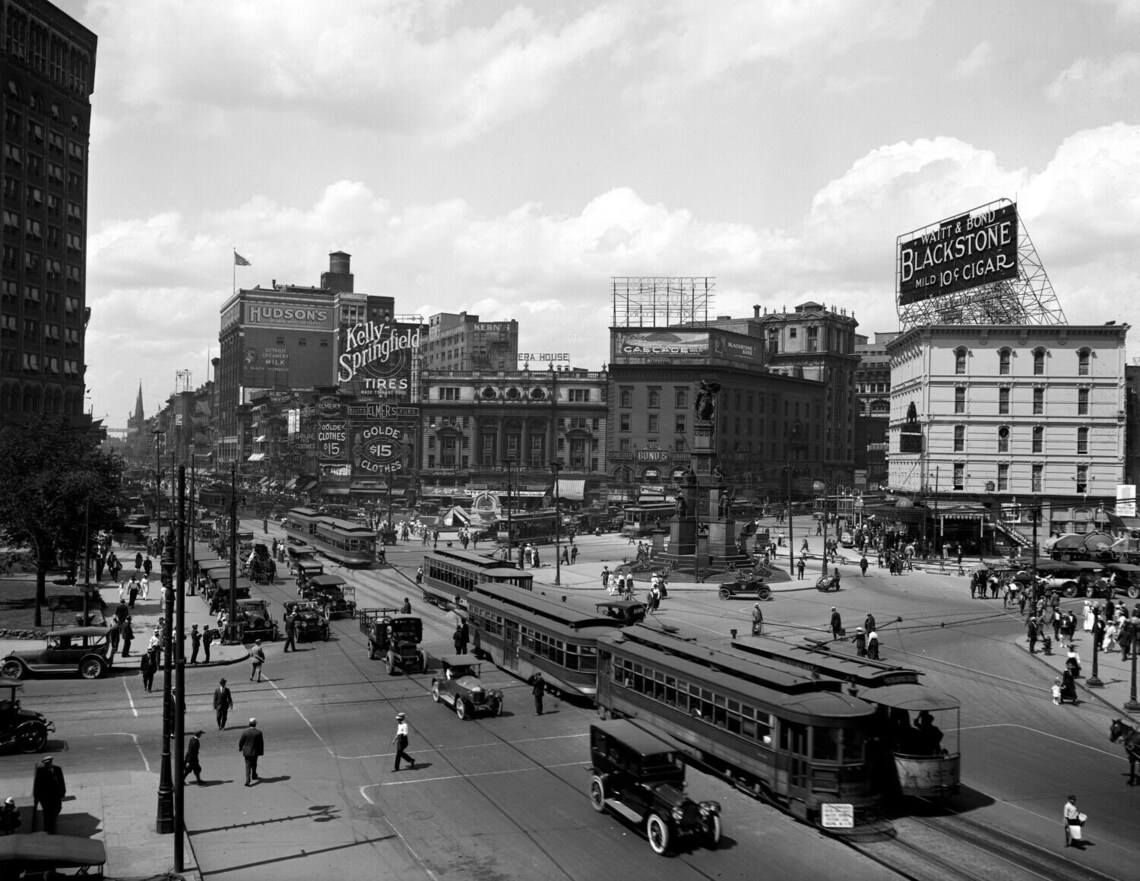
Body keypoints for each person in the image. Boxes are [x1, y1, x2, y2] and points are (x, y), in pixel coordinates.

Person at [32, 755, 66, 833]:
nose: (49, 764)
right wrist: (36, 796)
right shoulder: (40, 771)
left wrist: (63, 792)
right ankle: (48, 829)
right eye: (47, 763)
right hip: (45, 797)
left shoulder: (57, 769)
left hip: (56, 795)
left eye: (50, 762)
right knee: (47, 813)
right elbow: (37, 784)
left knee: (58, 808)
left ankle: (52, 823)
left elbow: (61, 781)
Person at [238, 718, 264, 786]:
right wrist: (261, 752)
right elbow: (261, 743)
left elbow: (241, 741)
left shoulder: (245, 732)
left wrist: (240, 748)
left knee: (247, 765)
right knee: (254, 763)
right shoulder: (259, 732)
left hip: (247, 752)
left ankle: (247, 780)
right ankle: (254, 775)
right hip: (255, 751)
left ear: (249, 724)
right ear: (255, 724)